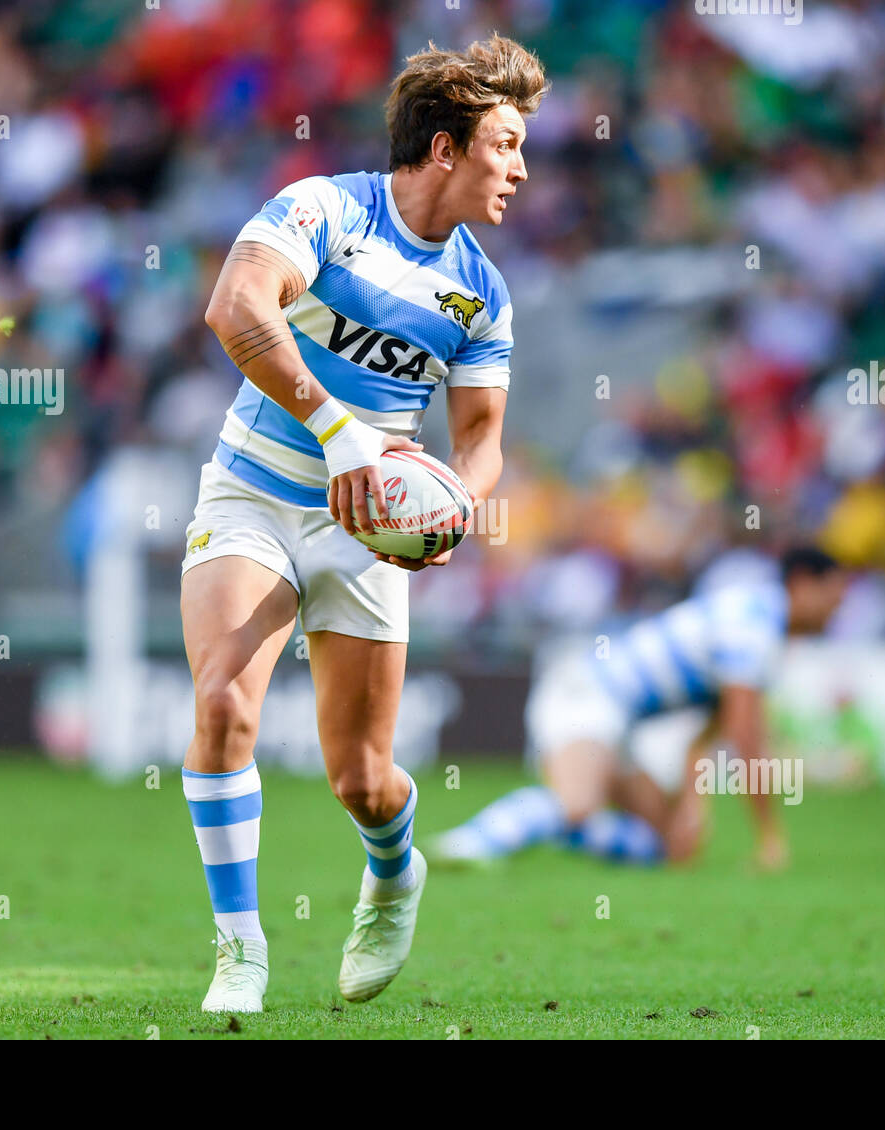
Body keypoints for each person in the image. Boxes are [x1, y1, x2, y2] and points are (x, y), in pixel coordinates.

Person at [179, 34, 548, 1012]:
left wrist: (458, 503)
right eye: (504, 144)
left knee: (364, 778)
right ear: (443, 148)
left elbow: (479, 439)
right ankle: (240, 948)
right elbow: (234, 307)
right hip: (256, 488)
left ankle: (394, 869)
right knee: (223, 706)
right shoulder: (326, 210)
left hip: (366, 524)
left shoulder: (481, 294)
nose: (519, 169)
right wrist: (338, 431)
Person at [428, 547, 848, 872]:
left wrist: (690, 807)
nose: (838, 607)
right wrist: (769, 837)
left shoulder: (759, 623)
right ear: (803, 582)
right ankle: (470, 842)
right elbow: (746, 739)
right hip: (585, 693)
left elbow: (704, 737)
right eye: (833, 593)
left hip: (618, 720)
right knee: (578, 803)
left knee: (668, 847)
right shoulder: (754, 625)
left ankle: (550, 828)